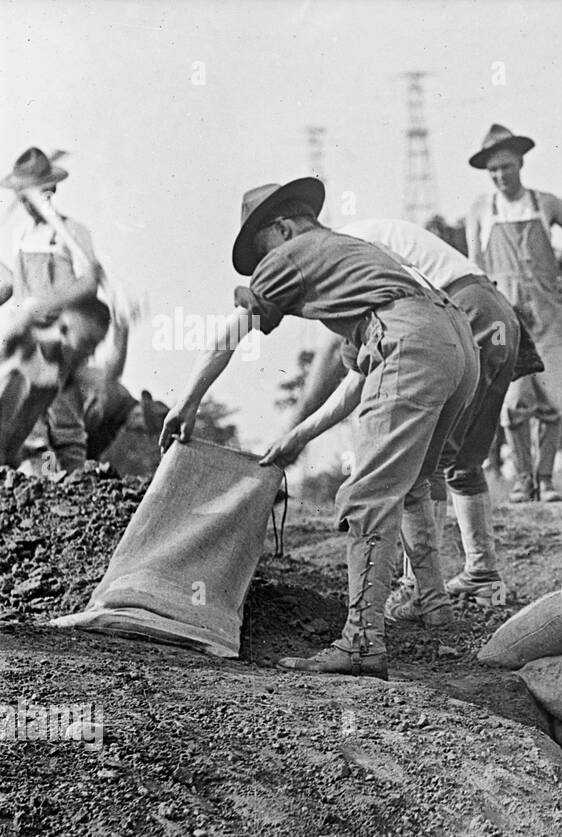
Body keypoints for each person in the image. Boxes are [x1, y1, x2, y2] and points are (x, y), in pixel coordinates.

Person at [157, 178, 478, 680]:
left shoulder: (294, 253)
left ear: (282, 226)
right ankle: (432, 603)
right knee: (412, 480)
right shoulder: (356, 258)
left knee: (369, 494)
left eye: (262, 248)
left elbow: (234, 331)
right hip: (455, 340)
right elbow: (358, 380)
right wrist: (298, 435)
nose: (265, 265)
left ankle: (362, 643)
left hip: (413, 340)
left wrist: (188, 400)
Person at [290, 217, 522, 613]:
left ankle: (418, 590)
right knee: (463, 461)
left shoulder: (347, 250)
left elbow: (339, 357)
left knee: (424, 463)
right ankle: (482, 574)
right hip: (498, 312)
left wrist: (297, 422)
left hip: (458, 313)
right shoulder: (371, 238)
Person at [466, 124, 562, 502]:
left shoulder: (545, 203)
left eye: (506, 167)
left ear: (520, 163)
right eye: (493, 170)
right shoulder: (481, 209)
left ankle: (545, 480)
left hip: (547, 313)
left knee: (553, 398)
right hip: (504, 317)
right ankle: (523, 480)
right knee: (513, 400)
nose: (500, 176)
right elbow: (474, 267)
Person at [2, 147, 137, 471]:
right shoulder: (20, 236)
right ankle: (33, 478)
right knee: (25, 412)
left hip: (64, 330)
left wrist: (46, 304)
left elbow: (89, 281)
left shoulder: (71, 231)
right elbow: (18, 289)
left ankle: (73, 477)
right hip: (30, 335)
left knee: (64, 412)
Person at [1, 264, 109, 467]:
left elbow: (109, 377)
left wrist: (123, 332)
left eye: (96, 345)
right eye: (87, 342)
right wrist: (83, 286)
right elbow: (30, 310)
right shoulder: (23, 343)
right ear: (65, 329)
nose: (91, 352)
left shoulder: (61, 371)